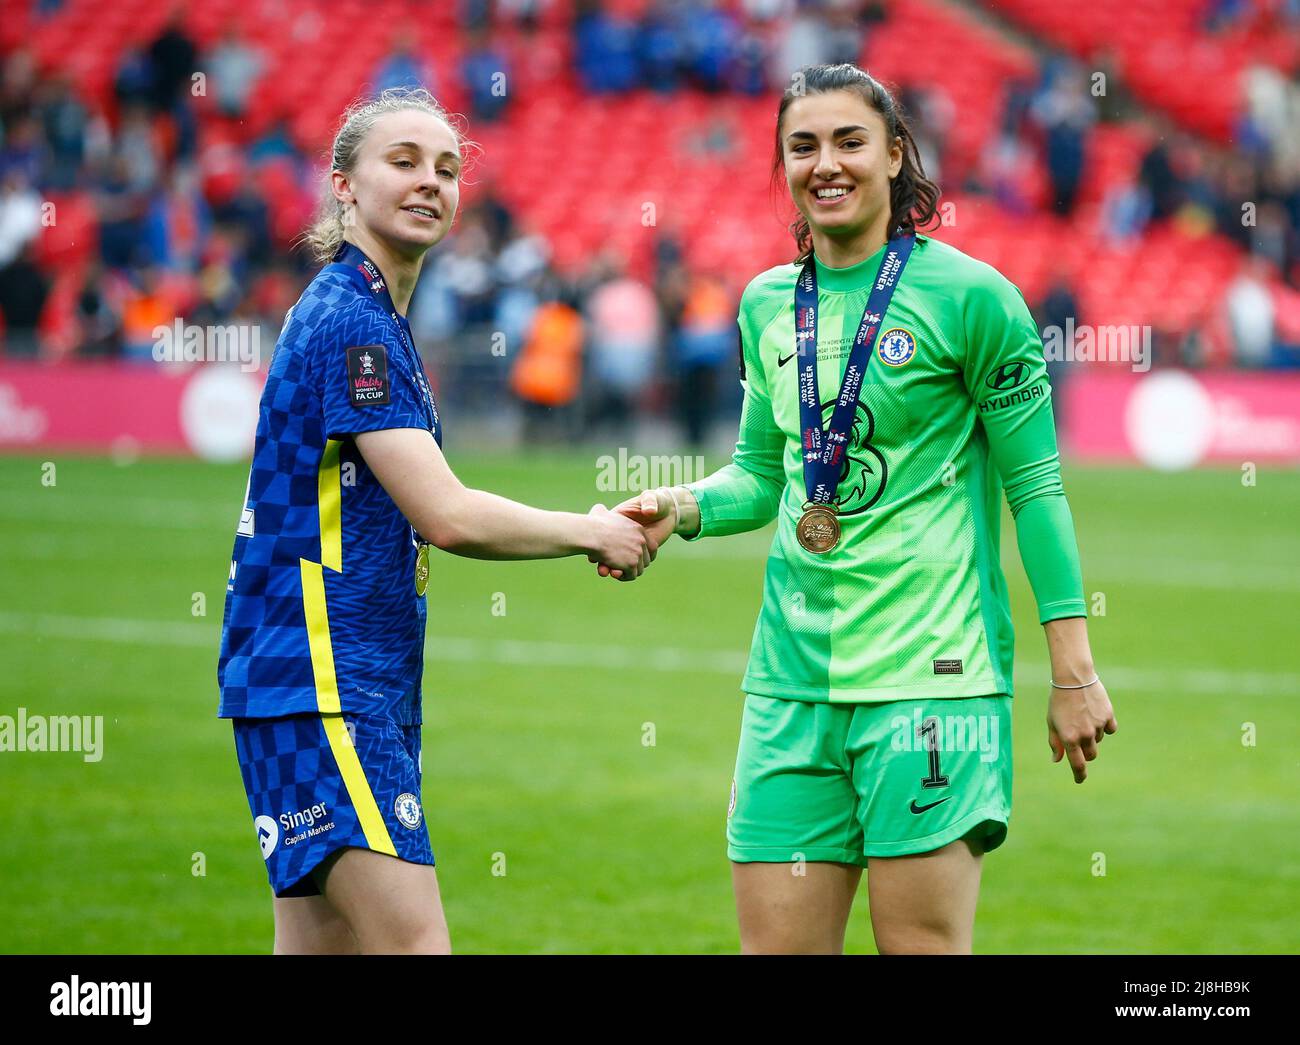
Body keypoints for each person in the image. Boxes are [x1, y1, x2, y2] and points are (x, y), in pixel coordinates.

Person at [598, 64, 1118, 955]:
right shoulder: (767, 303)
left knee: (917, 944)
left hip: (931, 683)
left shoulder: (975, 299)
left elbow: (1037, 491)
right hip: (790, 686)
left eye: (849, 141)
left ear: (895, 156)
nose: (825, 163)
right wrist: (682, 506)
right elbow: (764, 481)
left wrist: (1072, 668)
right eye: (803, 146)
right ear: (784, 166)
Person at [217, 87, 653, 955]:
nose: (431, 182)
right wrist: (592, 529)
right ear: (343, 185)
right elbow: (446, 514)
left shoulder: (372, 315)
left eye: (447, 168)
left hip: (319, 681)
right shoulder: (354, 322)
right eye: (404, 162)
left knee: (320, 947)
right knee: (417, 945)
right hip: (323, 683)